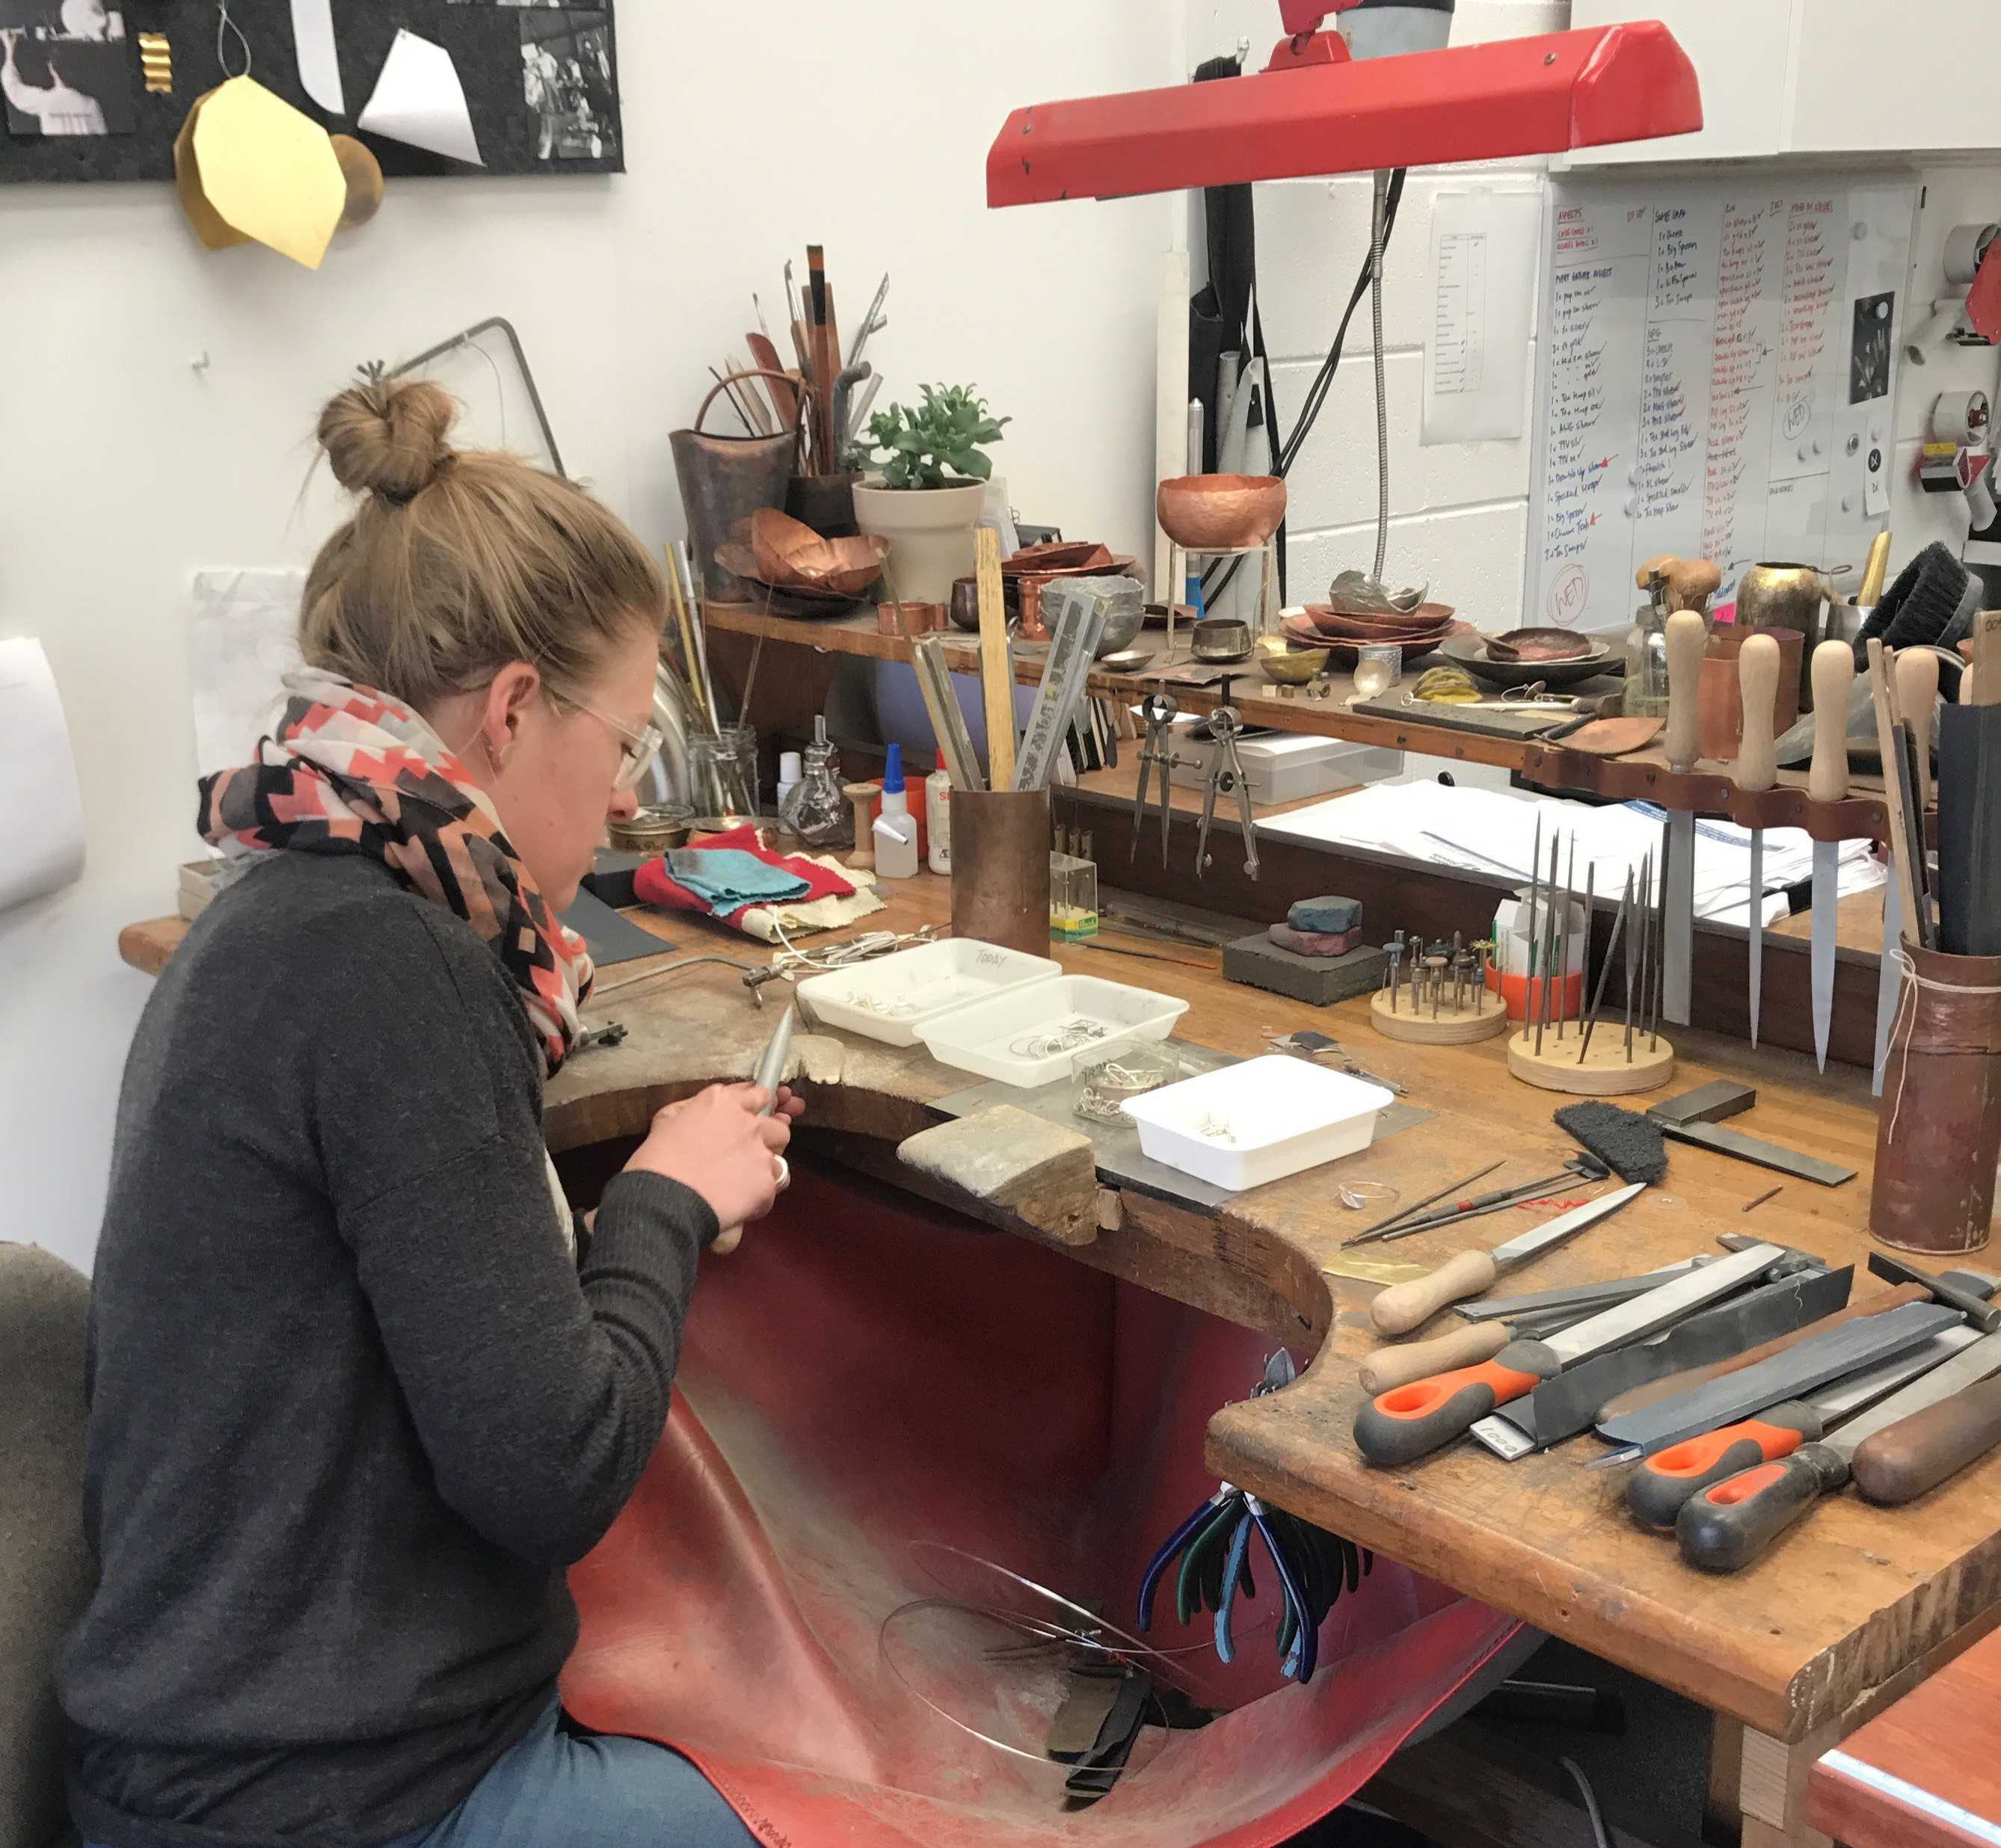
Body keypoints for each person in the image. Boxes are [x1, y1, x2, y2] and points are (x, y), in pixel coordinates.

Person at [58, 375, 797, 1848]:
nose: (623, 805)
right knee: (865, 1812)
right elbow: (553, 1476)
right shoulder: (393, 968)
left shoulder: (280, 904)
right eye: (626, 746)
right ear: (514, 710)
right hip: (323, 1802)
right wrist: (662, 1198)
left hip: (221, 1749)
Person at [1, 27, 106, 135]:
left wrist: (9, 51)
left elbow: (14, 88)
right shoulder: (91, 105)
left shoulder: (44, 101)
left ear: (52, 69)